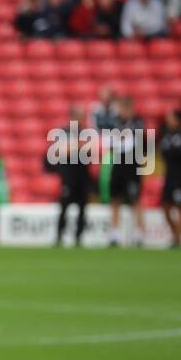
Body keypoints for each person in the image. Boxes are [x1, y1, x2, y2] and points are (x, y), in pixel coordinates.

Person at [101, 96, 147, 246]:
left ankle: (139, 234)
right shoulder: (115, 123)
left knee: (135, 200)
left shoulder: (137, 123)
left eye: (123, 108)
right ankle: (115, 234)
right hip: (118, 165)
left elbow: (138, 143)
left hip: (133, 167)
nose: (121, 112)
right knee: (115, 199)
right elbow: (110, 142)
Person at [52, 104, 92, 247]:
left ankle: (78, 238)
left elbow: (89, 152)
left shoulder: (86, 133)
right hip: (68, 176)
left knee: (82, 208)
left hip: (83, 176)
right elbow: (58, 152)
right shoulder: (64, 132)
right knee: (64, 208)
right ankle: (59, 235)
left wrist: (73, 147)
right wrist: (77, 146)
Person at [158, 110, 181, 247]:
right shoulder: (167, 134)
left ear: (179, 120)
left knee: (180, 207)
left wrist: (172, 151)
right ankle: (175, 234)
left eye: (172, 119)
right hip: (169, 175)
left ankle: (178, 238)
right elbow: (164, 152)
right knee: (165, 206)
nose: (169, 122)